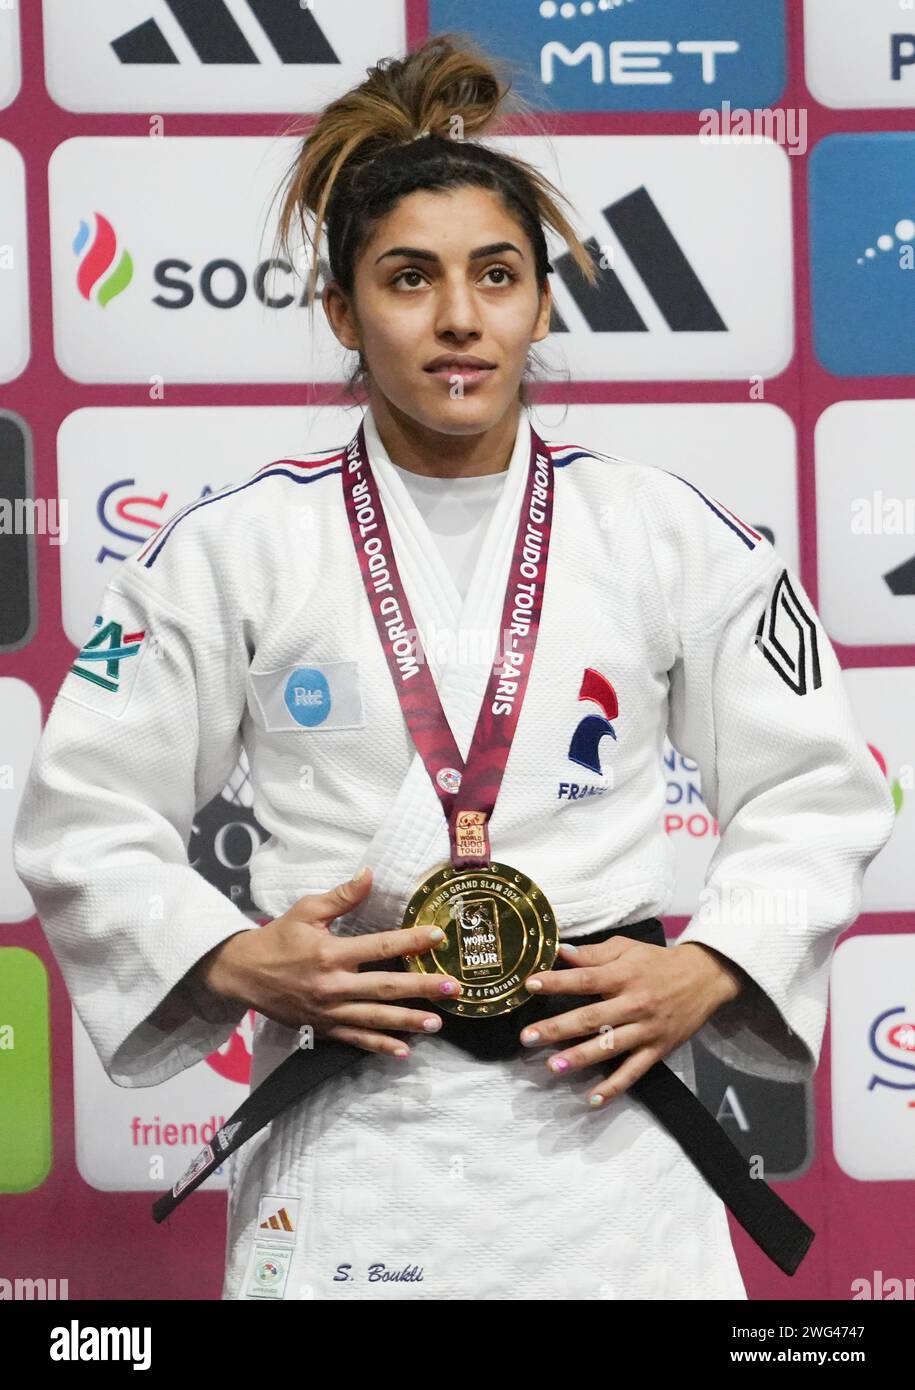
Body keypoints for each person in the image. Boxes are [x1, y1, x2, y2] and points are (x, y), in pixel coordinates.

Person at [12, 34, 895, 1301]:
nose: (460, 319)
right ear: (340, 307)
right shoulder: (233, 546)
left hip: (607, 1132)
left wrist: (710, 964)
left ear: (544, 298)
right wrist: (228, 958)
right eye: (408, 278)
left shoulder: (666, 533)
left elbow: (817, 789)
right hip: (357, 1131)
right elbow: (83, 809)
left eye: (497, 275)